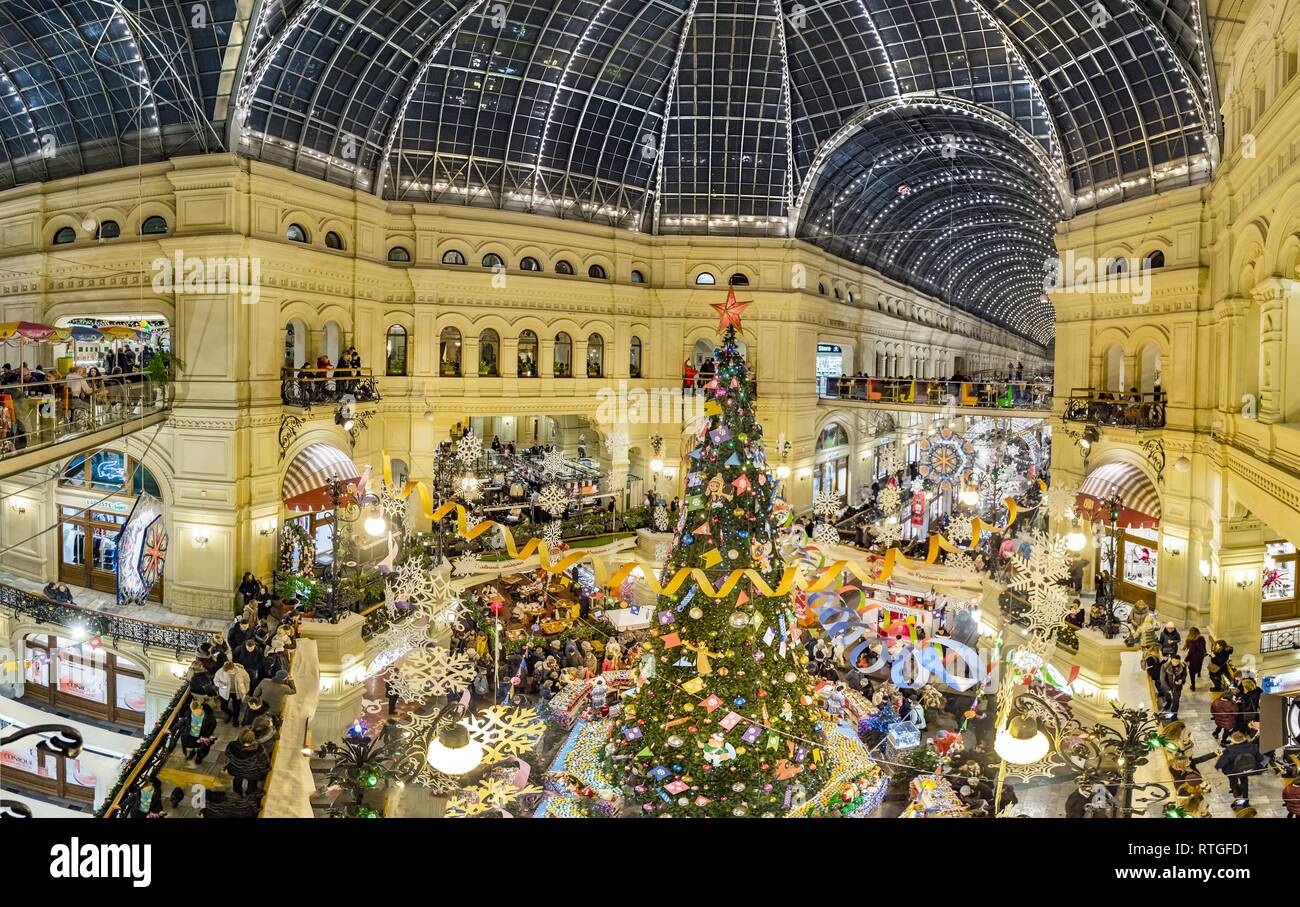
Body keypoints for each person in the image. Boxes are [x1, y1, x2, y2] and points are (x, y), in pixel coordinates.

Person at [1215, 731, 1264, 807]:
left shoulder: (1230, 749)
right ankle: (1245, 799)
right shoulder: (1252, 746)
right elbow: (1260, 758)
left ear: (1233, 740)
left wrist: (1218, 766)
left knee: (1233, 780)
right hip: (1247, 769)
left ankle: (1236, 791)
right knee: (1244, 781)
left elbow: (1223, 762)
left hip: (1233, 770)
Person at [224, 728, 272, 797]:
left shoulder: (232, 745)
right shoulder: (259, 750)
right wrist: (266, 770)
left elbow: (228, 754)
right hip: (252, 773)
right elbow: (263, 763)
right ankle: (249, 793)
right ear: (253, 739)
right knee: (252, 783)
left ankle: (237, 793)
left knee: (237, 780)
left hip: (236, 770)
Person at [214, 657, 251, 725]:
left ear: (233, 668)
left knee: (236, 707)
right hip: (225, 692)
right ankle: (229, 715)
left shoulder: (242, 672)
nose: (227, 673)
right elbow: (215, 681)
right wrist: (222, 685)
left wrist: (246, 690)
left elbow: (247, 681)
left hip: (237, 692)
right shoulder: (221, 671)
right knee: (223, 707)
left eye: (228, 672)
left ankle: (235, 718)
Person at [180, 697, 217, 764]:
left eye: (197, 711)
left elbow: (211, 728)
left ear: (201, 708)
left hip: (204, 734)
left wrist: (203, 737)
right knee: (189, 745)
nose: (195, 713)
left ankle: (199, 756)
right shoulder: (188, 713)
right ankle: (192, 753)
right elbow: (182, 722)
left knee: (203, 747)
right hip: (192, 734)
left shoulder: (210, 717)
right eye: (193, 711)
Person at [1183, 627, 1206, 691]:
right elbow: (1204, 648)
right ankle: (1199, 673)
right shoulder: (1202, 638)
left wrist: (1185, 660)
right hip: (1201, 657)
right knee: (1200, 665)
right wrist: (1204, 653)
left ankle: (1193, 686)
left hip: (1194, 660)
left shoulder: (1193, 642)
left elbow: (1190, 653)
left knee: (1192, 672)